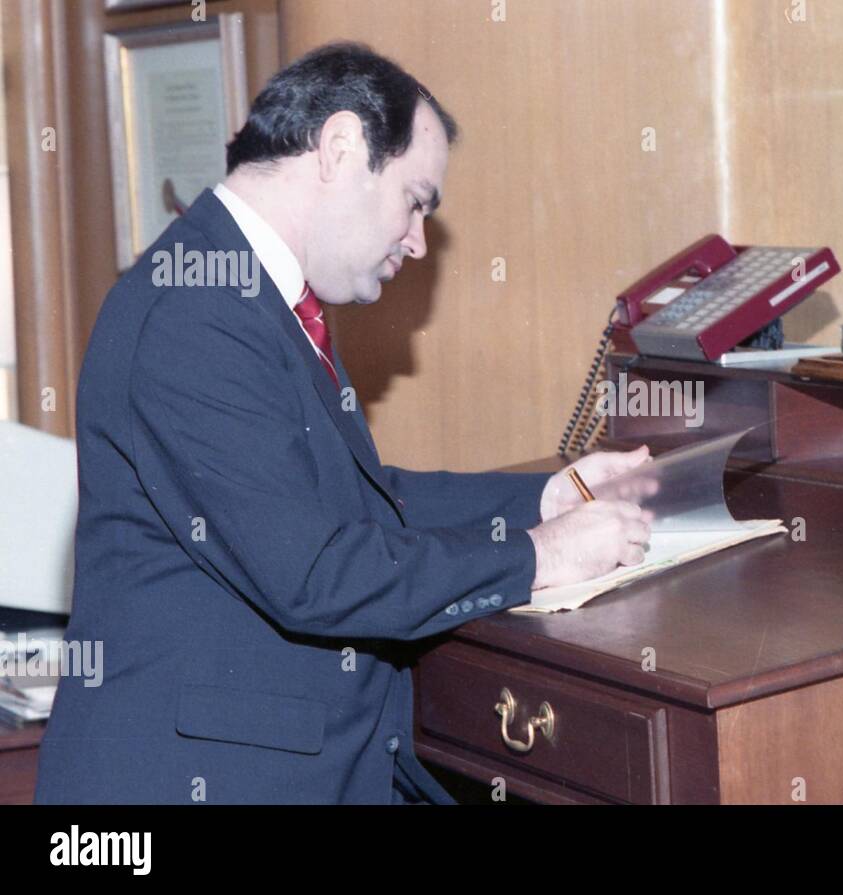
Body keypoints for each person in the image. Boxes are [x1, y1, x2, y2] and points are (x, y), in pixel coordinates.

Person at [35, 42, 651, 804]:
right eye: (415, 200)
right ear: (339, 148)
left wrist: (542, 500)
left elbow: (348, 498)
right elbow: (318, 571)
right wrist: (538, 556)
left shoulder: (253, 293)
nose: (418, 240)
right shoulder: (193, 314)